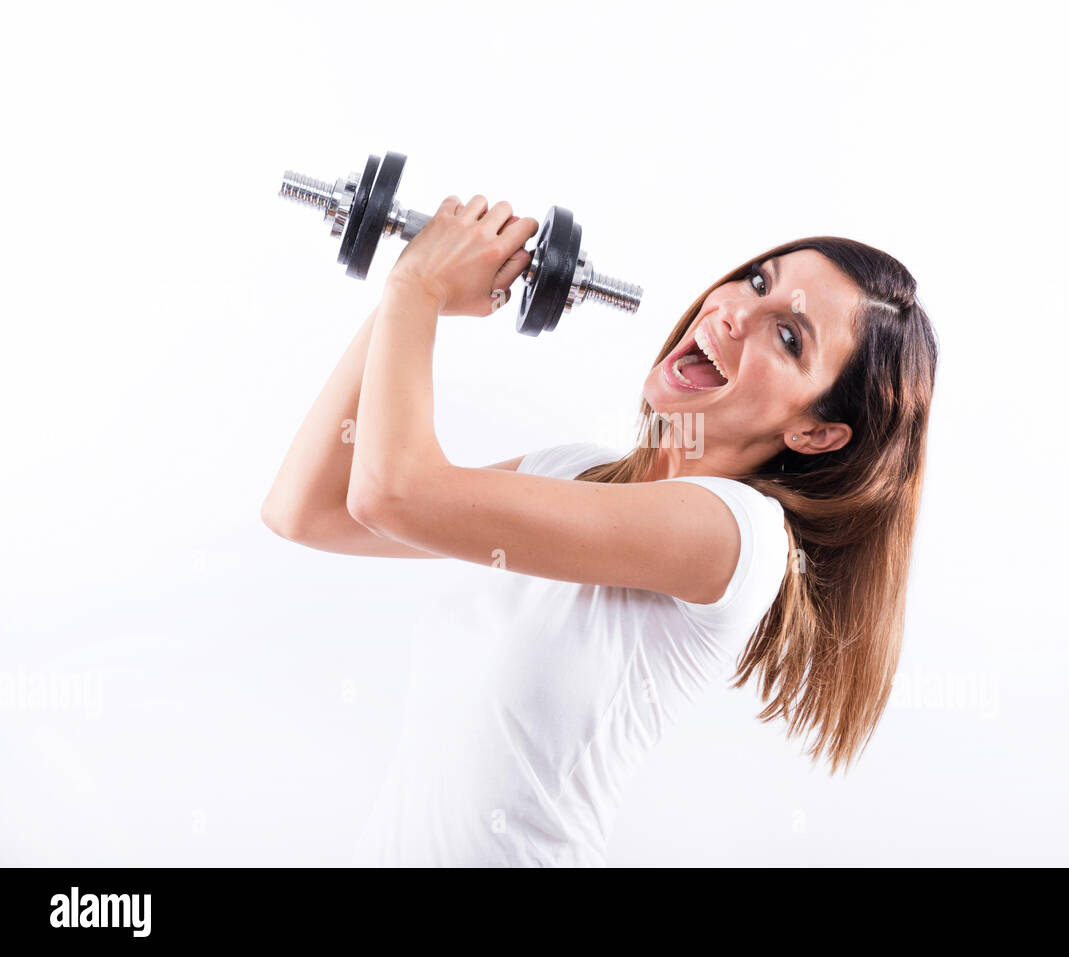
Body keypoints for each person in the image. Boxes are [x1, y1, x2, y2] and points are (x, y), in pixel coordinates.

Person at [262, 194, 938, 866]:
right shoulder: (571, 472)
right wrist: (408, 294)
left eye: (788, 337)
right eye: (759, 281)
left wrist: (418, 284)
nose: (735, 311)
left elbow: (393, 492)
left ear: (814, 431)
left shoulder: (738, 535)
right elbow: (308, 510)